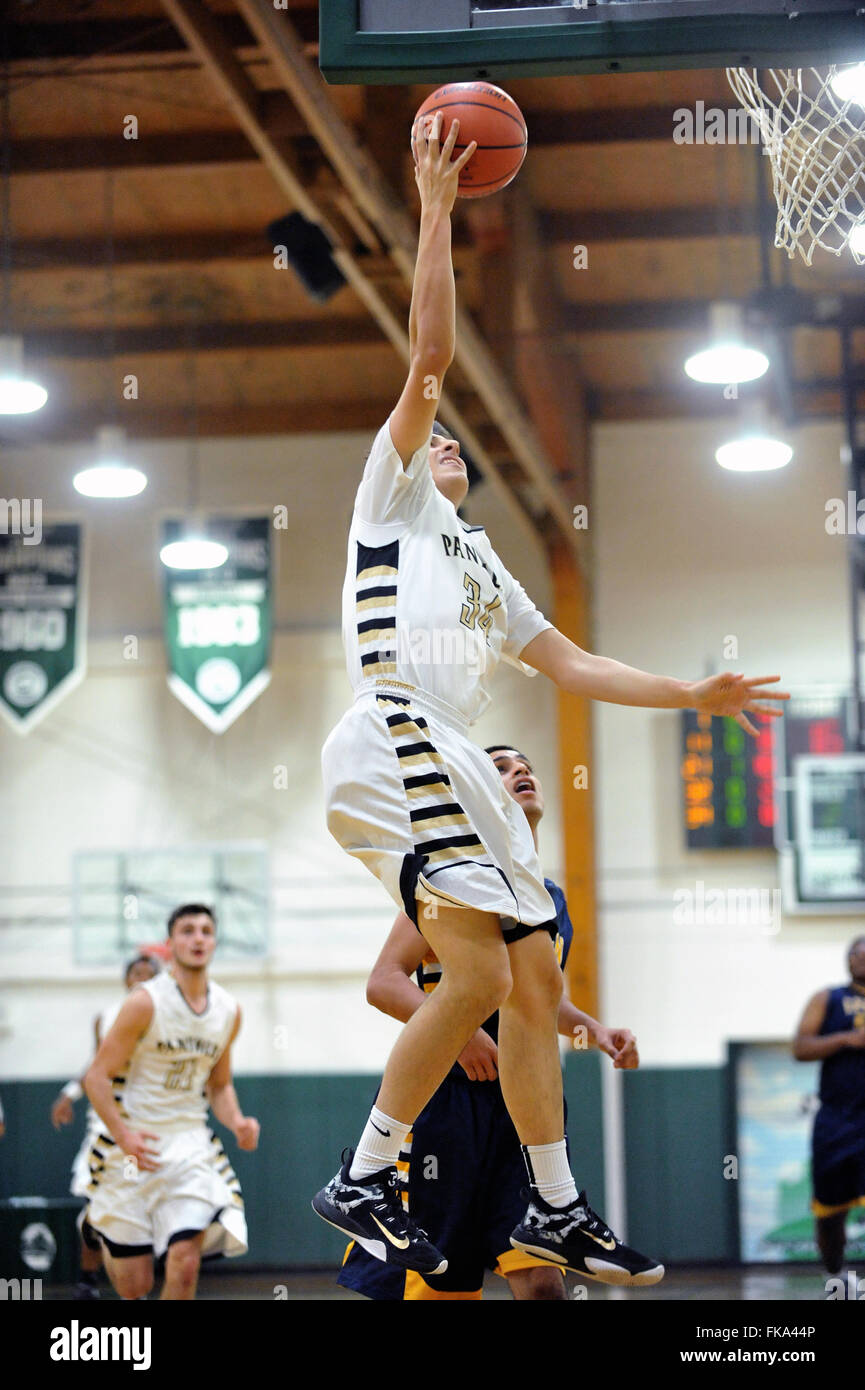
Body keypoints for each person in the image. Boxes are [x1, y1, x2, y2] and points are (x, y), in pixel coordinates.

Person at [313, 110, 788, 1281]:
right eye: (429, 440)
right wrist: (435, 211)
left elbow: (574, 666)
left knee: (535, 974)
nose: (443, 446)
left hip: (452, 753)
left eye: (453, 446)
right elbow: (428, 359)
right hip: (391, 724)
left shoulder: (485, 567)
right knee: (474, 974)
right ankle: (365, 1171)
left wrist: (692, 689)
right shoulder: (390, 500)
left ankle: (555, 1203)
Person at [339, 743, 646, 1300]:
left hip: (523, 1110)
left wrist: (593, 1031)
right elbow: (384, 981)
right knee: (441, 1287)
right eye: (500, 769)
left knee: (543, 1281)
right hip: (446, 1106)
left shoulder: (546, 899)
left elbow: (536, 1002)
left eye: (525, 765)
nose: (520, 771)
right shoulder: (450, 881)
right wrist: (463, 1039)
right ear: (475, 796)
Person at [84, 904, 259, 1300]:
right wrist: (124, 1136)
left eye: (206, 931)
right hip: (131, 1145)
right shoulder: (145, 1002)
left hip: (188, 1144)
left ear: (214, 941)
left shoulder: (229, 1010)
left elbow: (219, 1085)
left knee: (185, 1259)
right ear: (169, 944)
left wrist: (237, 1121)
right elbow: (96, 1077)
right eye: (187, 931)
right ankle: (102, 1224)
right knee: (136, 1284)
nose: (198, 938)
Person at [51, 953, 161, 1299]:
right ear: (126, 979)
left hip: (151, 1129)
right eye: (135, 973)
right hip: (108, 1129)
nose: (141, 978)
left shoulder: (171, 1016)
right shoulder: (109, 1017)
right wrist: (69, 1093)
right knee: (95, 1211)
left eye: (148, 973)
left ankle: (139, 1284)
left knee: (143, 1211)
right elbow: (95, 1063)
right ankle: (88, 1280)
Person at [793, 934, 865, 1274]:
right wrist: (847, 1039)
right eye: (856, 953)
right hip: (837, 1120)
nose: (862, 957)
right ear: (848, 960)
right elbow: (801, 1048)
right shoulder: (828, 998)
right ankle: (835, 1275)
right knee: (831, 1212)